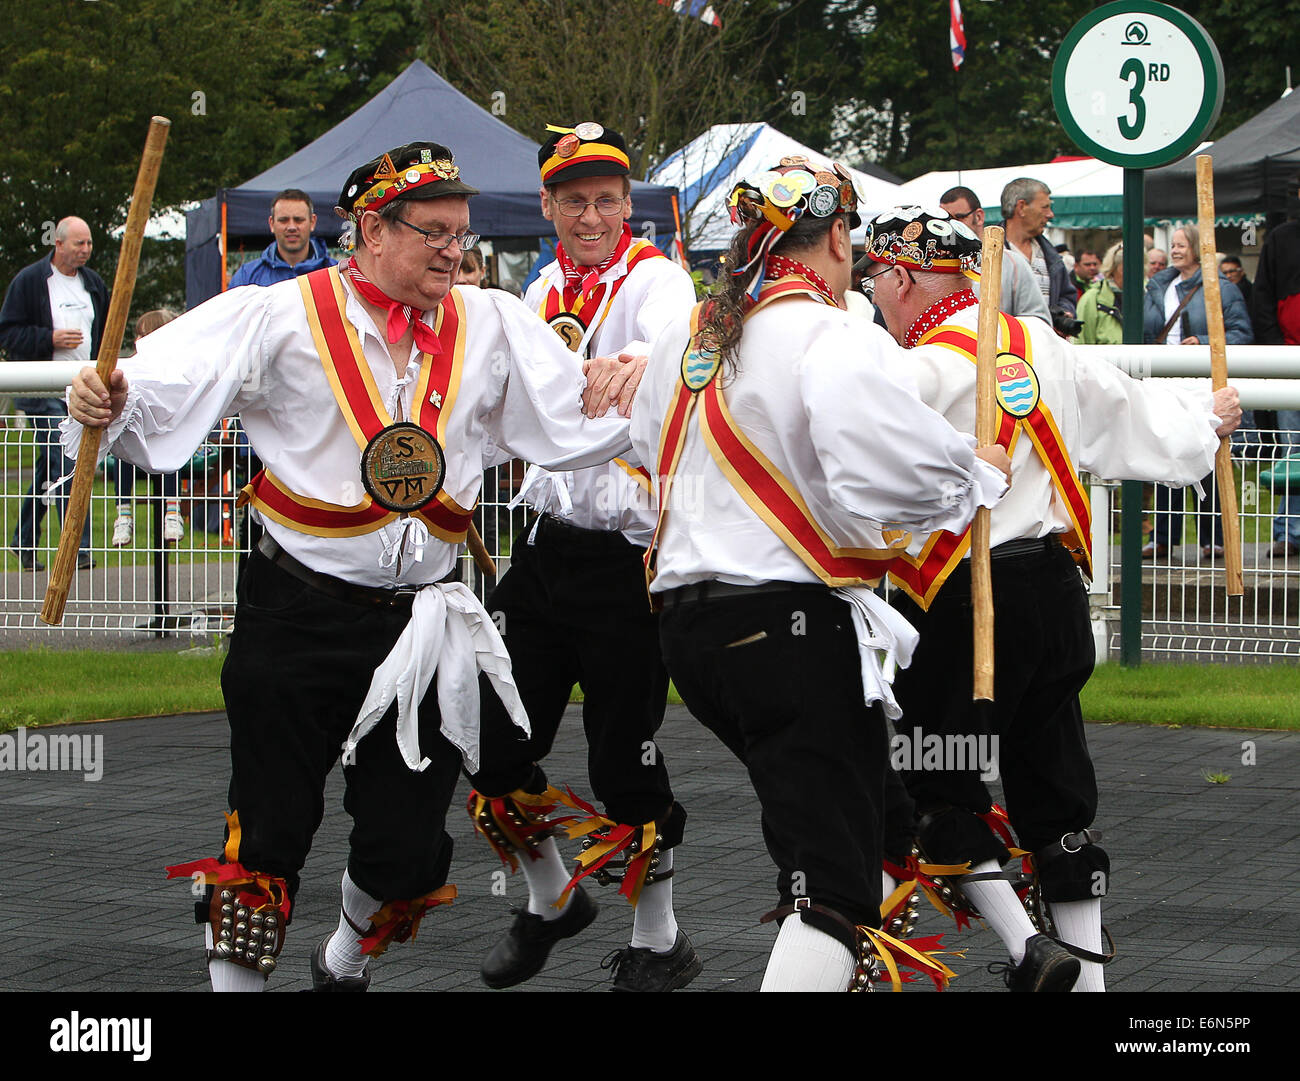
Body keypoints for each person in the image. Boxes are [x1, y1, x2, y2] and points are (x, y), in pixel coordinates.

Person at [65, 141, 641, 993]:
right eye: (435, 232)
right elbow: (160, 383)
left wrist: (650, 376)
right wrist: (107, 398)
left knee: (406, 851)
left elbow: (576, 405)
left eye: (463, 232)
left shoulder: (492, 322)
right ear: (371, 229)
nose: (456, 250)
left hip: (423, 621)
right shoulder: (278, 316)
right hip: (295, 612)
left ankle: (340, 961)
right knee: (267, 831)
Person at [631, 160, 1012, 992]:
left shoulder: (691, 334)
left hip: (690, 632)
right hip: (790, 632)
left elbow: (638, 449)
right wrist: (973, 472)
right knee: (833, 881)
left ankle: (852, 940)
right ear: (839, 237)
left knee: (873, 822)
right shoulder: (831, 333)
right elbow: (880, 465)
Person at [861, 205, 1241, 992]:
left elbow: (854, 475)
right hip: (1056, 597)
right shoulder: (1046, 347)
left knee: (932, 774)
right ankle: (1091, 985)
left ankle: (1027, 946)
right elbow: (1136, 420)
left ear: (900, 277)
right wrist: (1208, 421)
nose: (873, 297)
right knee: (1055, 788)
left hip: (963, 602)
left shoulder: (913, 369)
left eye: (874, 280)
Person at [465, 123, 701, 992]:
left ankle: (660, 937)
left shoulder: (655, 279)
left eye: (606, 198)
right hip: (547, 549)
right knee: (488, 738)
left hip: (628, 560)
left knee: (622, 757)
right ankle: (552, 894)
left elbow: (680, 349)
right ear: (548, 207)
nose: (591, 214)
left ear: (626, 203)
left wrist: (641, 362)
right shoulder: (536, 290)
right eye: (574, 200)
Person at [1143, 223, 1253, 561]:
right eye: (1171, 245)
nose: (1174, 250)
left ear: (1195, 247)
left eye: (1180, 245)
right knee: (1166, 454)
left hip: (1202, 382)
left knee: (1207, 455)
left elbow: (1241, 332)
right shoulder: (1158, 286)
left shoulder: (1221, 288)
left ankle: (1212, 538)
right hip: (1164, 381)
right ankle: (1163, 537)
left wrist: (1202, 342)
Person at [1, 216, 99, 571]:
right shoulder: (29, 282)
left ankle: (23, 542)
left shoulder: (94, 284)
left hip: (81, 387)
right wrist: (50, 339)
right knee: (68, 461)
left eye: (88, 243)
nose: (85, 250)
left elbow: (101, 332)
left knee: (50, 468)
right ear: (58, 244)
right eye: (78, 243)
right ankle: (78, 547)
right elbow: (8, 333)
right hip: (41, 389)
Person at [109, 309, 184, 547]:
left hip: (166, 439)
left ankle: (172, 511)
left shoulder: (176, 370)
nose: (136, 341)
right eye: (137, 335)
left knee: (171, 447)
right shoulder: (129, 367)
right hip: (136, 439)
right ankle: (123, 514)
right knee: (122, 451)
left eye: (144, 334)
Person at [1253, 197, 1300, 557]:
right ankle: (1290, 530)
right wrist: (1277, 351)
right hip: (1289, 363)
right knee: (1293, 450)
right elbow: (1263, 297)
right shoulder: (1281, 239)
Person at [939, 185, 1050, 323]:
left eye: (958, 218)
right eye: (944, 220)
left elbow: (1038, 322)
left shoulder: (1013, 264)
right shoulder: (937, 266)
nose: (950, 226)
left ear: (979, 217)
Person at [1000, 178, 1078, 333]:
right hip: (1005, 350)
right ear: (1021, 207)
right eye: (1045, 207)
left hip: (1046, 350)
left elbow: (1067, 295)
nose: (1050, 215)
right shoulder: (988, 254)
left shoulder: (1052, 256)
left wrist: (1065, 312)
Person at [227, 189, 335, 288]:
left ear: (312, 222)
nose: (291, 227)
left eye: (298, 220)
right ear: (272, 224)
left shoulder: (336, 275)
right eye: (283, 220)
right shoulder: (246, 277)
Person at [1076, 241, 1125, 345]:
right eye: (1124, 269)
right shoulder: (1091, 298)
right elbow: (1079, 340)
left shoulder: (1147, 295)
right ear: (1113, 269)